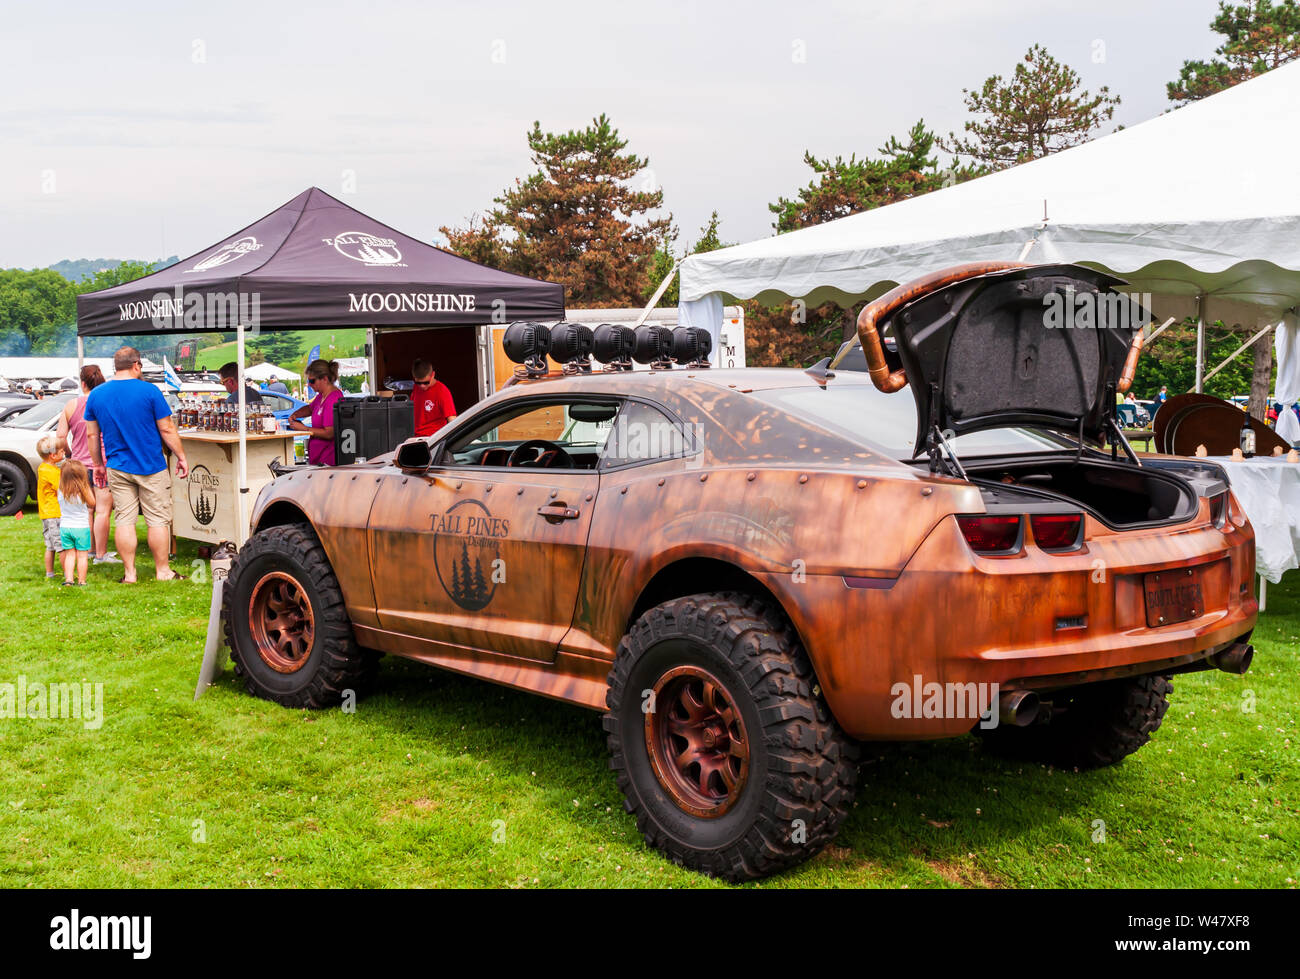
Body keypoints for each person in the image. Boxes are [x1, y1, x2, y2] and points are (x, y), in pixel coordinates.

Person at [84, 346, 189, 583]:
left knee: (124, 520)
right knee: (157, 520)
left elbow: (92, 436)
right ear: (136, 365)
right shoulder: (150, 391)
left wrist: (98, 465)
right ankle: (162, 571)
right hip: (151, 465)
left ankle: (130, 574)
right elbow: (166, 428)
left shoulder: (97, 395)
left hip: (117, 466)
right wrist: (181, 456)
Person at [58, 364, 119, 565]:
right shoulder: (107, 402)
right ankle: (101, 555)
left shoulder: (71, 405)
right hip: (103, 463)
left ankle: (89, 550)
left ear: (82, 383)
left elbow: (60, 438)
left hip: (78, 466)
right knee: (102, 510)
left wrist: (69, 453)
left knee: (87, 510)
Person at [288, 359, 343, 465]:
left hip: (328, 459)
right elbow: (310, 409)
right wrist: (296, 414)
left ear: (325, 379)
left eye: (312, 381)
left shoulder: (333, 398)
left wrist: (304, 428)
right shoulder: (321, 395)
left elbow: (329, 433)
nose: (309, 384)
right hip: (318, 458)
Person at [58, 460, 95, 586]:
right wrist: (86, 486)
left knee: (69, 555)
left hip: (65, 527)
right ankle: (82, 580)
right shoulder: (83, 491)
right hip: (81, 528)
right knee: (82, 556)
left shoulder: (61, 490)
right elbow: (92, 503)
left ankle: (69, 579)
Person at [35, 435, 64, 579]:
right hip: (54, 513)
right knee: (61, 547)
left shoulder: (43, 467)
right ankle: (68, 574)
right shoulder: (51, 471)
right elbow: (61, 488)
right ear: (53, 455)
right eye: (62, 452)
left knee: (50, 546)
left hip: (46, 514)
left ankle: (50, 573)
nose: (64, 452)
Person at [411, 358, 457, 437]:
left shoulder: (442, 391)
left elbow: (452, 420)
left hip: (433, 439)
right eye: (418, 382)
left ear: (433, 375)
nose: (422, 386)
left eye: (426, 382)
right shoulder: (416, 388)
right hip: (415, 437)